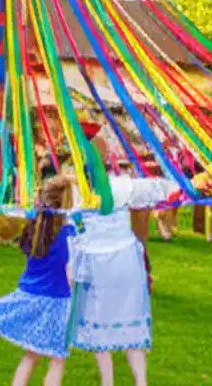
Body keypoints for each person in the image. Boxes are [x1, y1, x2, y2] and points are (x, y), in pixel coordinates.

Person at [71, 132, 176, 386]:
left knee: (99, 324)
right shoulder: (121, 186)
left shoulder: (74, 194)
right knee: (132, 322)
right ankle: (141, 382)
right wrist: (183, 184)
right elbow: (162, 189)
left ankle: (108, 383)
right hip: (125, 264)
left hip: (94, 267)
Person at [0, 175, 76, 386]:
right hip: (57, 301)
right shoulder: (68, 234)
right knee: (57, 360)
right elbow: (70, 274)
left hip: (30, 295)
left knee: (30, 356)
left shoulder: (36, 228)